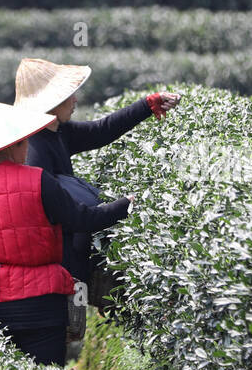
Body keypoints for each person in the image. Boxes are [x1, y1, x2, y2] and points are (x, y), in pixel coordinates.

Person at [0, 99, 133, 366]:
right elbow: (82, 219)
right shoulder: (38, 179)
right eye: (24, 141)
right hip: (43, 305)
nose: (28, 147)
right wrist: (123, 205)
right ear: (14, 145)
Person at [13, 59, 180, 300]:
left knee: (72, 333)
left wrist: (147, 105)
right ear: (52, 102)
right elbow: (68, 217)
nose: (75, 100)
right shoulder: (34, 151)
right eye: (69, 95)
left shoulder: (58, 131)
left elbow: (101, 130)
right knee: (66, 332)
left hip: (67, 262)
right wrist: (124, 206)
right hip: (56, 269)